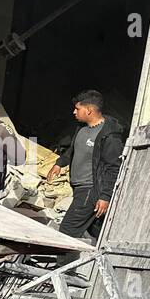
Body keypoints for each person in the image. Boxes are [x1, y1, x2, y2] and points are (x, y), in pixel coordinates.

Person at [50, 89, 125, 241]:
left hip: (90, 190)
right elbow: (73, 150)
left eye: (78, 109)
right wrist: (59, 163)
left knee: (67, 231)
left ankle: (63, 264)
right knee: (89, 232)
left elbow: (113, 168)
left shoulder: (109, 136)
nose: (74, 112)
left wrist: (105, 196)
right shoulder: (81, 129)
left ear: (89, 110)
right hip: (78, 188)